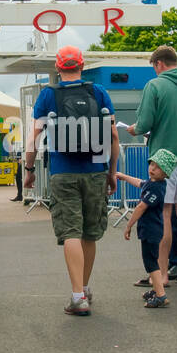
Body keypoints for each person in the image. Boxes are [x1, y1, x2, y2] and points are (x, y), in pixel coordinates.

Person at [26, 45, 118, 316]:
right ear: (82, 65)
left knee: (71, 233)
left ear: (58, 67)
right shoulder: (98, 92)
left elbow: (33, 138)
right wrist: (112, 172)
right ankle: (85, 287)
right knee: (90, 233)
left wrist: (29, 168)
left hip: (63, 172)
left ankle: (78, 297)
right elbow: (113, 137)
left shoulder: (47, 96)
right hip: (95, 170)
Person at [128, 45, 177, 287]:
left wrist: (135, 129)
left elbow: (145, 122)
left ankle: (162, 274)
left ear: (159, 64)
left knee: (164, 215)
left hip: (163, 161)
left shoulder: (156, 86)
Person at [117, 149, 174, 310]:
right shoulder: (153, 183)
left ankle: (161, 295)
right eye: (151, 164)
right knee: (150, 261)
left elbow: (141, 206)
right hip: (151, 230)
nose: (152, 168)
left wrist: (129, 225)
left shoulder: (156, 188)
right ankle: (156, 290)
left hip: (151, 230)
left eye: (157, 167)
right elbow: (139, 182)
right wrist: (124, 176)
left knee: (151, 263)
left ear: (165, 172)